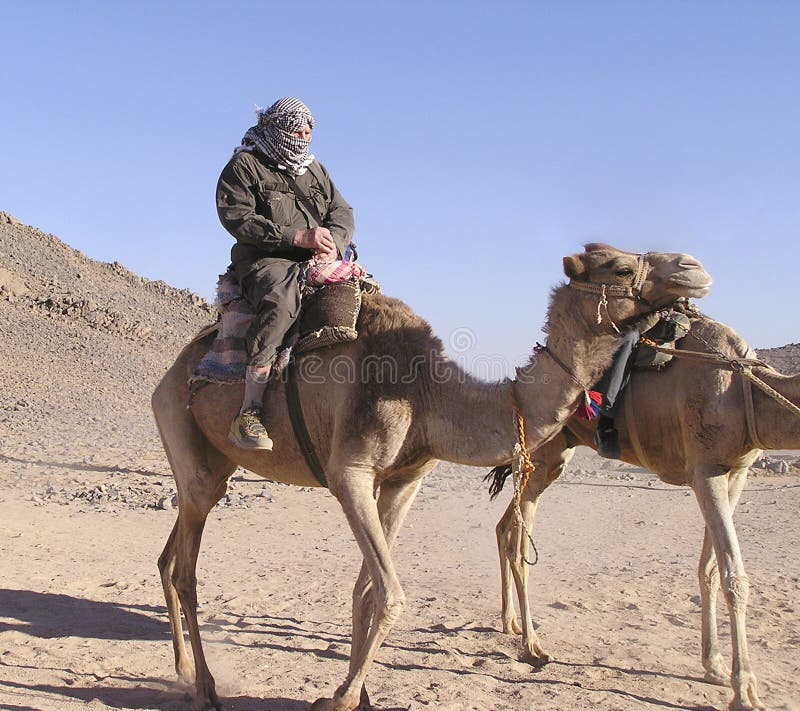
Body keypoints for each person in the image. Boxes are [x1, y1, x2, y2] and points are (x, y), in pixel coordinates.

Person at [216, 98, 355, 450]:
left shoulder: (315, 170)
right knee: (280, 301)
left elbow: (341, 211)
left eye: (309, 127)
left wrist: (334, 243)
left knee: (364, 300)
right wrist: (297, 237)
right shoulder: (245, 166)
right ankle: (249, 411)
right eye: (297, 127)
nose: (305, 133)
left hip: (318, 256)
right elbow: (237, 217)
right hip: (266, 261)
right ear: (277, 127)